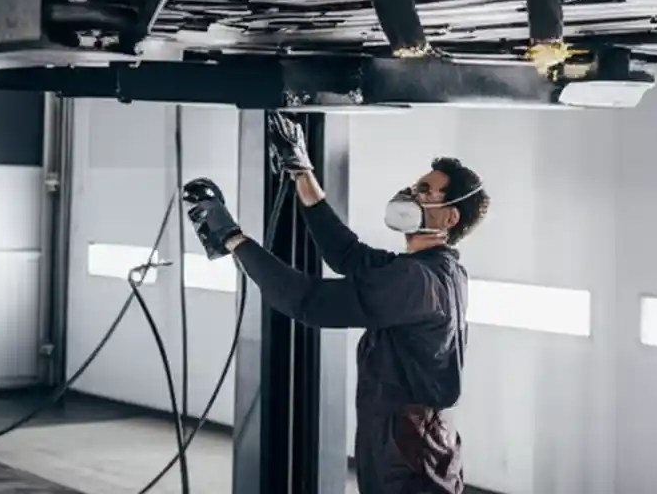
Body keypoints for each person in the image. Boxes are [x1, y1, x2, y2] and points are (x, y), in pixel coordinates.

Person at [182, 113, 490, 494]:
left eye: (424, 190)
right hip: (414, 438)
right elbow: (346, 253)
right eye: (413, 185)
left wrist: (230, 237)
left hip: (408, 450)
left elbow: (308, 302)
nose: (409, 194)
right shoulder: (434, 269)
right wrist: (301, 169)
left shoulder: (416, 281)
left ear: (450, 216)